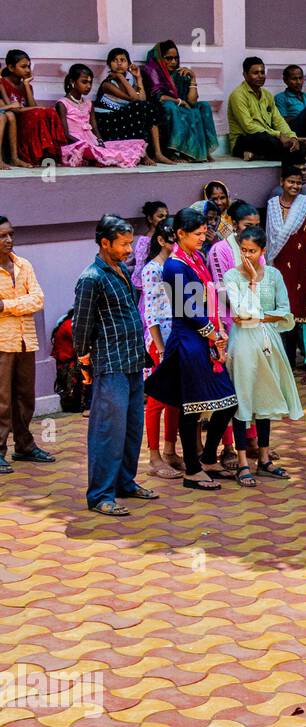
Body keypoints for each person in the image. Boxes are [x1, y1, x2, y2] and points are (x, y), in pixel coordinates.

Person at [142, 208, 239, 492]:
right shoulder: (174, 267)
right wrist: (214, 336)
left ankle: (208, 459)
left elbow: (206, 300)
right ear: (180, 235)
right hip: (188, 342)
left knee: (228, 402)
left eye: (203, 233)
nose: (201, 238)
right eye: (196, 234)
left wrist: (217, 331)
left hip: (204, 338)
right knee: (192, 407)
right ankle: (193, 470)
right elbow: (187, 310)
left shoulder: (196, 258)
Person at [73, 215, 157, 514]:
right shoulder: (91, 278)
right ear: (104, 243)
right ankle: (100, 495)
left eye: (130, 243)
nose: (129, 250)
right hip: (110, 364)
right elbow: (81, 327)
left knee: (133, 428)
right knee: (108, 430)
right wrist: (83, 362)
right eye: (123, 244)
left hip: (134, 360)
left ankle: (125, 482)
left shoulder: (120, 269)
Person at [222, 225, 302, 487]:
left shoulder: (275, 275)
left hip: (268, 341)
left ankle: (264, 458)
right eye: (243, 250)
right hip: (243, 342)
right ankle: (243, 461)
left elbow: (284, 311)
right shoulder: (233, 276)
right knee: (242, 398)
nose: (247, 255)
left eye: (252, 251)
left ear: (262, 251)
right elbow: (241, 310)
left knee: (265, 397)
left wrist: (257, 317)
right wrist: (253, 283)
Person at [0, 215, 51, 475]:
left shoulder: (23, 265)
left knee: (25, 396)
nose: (8, 240)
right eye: (2, 236)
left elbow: (38, 299)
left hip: (25, 339)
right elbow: (29, 301)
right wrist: (22, 305)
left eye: (10, 234)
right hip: (2, 342)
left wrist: (6, 306)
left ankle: (24, 445)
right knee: (2, 400)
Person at [266, 164, 306, 379]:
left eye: (299, 182)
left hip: (304, 270)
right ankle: (288, 364)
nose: (295, 186)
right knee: (285, 316)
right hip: (279, 269)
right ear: (282, 181)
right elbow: (269, 237)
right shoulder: (272, 205)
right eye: (291, 181)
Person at [137, 217, 183, 480]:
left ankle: (170, 451)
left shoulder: (178, 265)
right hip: (160, 340)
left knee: (175, 398)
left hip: (178, 337)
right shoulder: (152, 270)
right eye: (172, 239)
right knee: (157, 401)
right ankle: (154, 456)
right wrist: (160, 347)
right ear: (162, 241)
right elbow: (151, 313)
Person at [57, 64, 148, 168]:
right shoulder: (63, 104)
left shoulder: (89, 103)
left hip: (91, 141)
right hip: (75, 143)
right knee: (98, 153)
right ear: (72, 82)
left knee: (127, 146)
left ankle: (98, 156)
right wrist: (83, 144)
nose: (88, 86)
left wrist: (100, 142)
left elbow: (94, 128)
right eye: (84, 82)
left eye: (90, 83)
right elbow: (65, 133)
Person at [140, 41, 218, 162]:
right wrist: (179, 102)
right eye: (169, 58)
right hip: (162, 107)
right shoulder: (152, 72)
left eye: (176, 58)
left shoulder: (180, 74)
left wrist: (193, 78)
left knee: (204, 106)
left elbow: (191, 102)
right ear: (160, 58)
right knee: (170, 106)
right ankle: (176, 151)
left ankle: (202, 151)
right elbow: (159, 97)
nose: (173, 62)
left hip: (181, 105)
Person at [92, 48, 171, 165]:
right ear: (109, 65)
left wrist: (138, 78)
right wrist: (120, 77)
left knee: (149, 107)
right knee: (139, 107)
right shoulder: (107, 84)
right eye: (114, 60)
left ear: (129, 64)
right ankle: (143, 154)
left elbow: (142, 99)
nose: (119, 63)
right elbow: (134, 99)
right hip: (107, 121)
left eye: (123, 60)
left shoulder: (131, 80)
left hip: (121, 117)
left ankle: (158, 153)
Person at [227, 57, 306, 161]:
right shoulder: (238, 95)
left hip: (268, 136)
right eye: (255, 73)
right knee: (268, 141)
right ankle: (258, 154)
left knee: (298, 146)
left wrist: (291, 137)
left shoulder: (267, 95)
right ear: (245, 75)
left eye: (262, 72)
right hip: (244, 139)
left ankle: (257, 155)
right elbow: (248, 127)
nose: (260, 76)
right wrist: (279, 135)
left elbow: (278, 121)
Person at [0, 50, 68, 168]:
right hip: (13, 120)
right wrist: (37, 108)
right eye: (23, 67)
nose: (27, 70)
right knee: (38, 112)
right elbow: (13, 109)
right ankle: (21, 156)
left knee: (48, 112)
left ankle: (49, 153)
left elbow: (31, 106)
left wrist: (26, 85)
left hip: (24, 120)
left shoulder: (27, 86)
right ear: (11, 67)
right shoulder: (2, 83)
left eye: (29, 66)